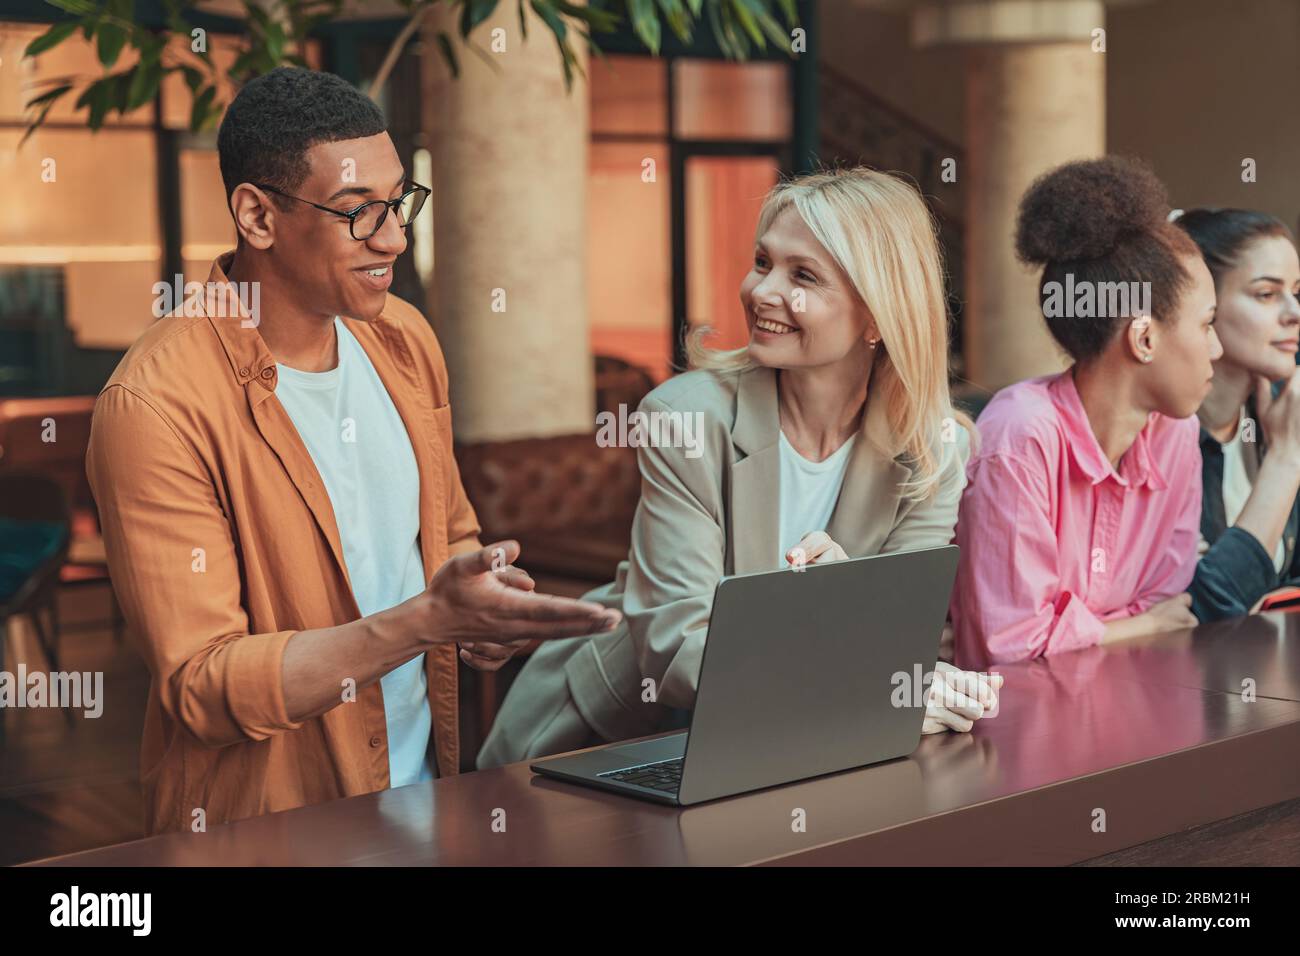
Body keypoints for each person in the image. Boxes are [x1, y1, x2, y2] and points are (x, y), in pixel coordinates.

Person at [85, 68, 620, 834]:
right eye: (356, 212)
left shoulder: (402, 338)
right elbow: (204, 686)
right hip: (267, 829)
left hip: (425, 797)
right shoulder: (155, 405)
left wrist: (484, 610)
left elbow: (447, 535)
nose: (395, 236)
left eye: (398, 202)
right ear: (257, 217)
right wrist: (425, 621)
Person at [480, 167, 1001, 769]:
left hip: (806, 742)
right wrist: (861, 672)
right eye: (762, 262)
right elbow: (680, 650)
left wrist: (895, 677)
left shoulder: (934, 445)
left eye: (803, 275)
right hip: (620, 741)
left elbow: (898, 641)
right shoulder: (683, 419)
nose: (761, 291)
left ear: (880, 316)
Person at [950, 157, 1221, 670]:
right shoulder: (1020, 435)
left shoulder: (1178, 432)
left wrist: (1090, 629)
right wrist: (1134, 626)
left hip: (1141, 708)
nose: (1218, 348)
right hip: (1013, 731)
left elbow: (1170, 606)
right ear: (1144, 338)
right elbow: (1010, 647)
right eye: (1206, 325)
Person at [1174, 209, 1300, 619]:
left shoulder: (1280, 414)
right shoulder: (1160, 439)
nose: (1293, 312)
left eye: (1296, 291)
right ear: (1204, 305)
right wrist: (1286, 461)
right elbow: (1203, 614)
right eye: (1266, 294)